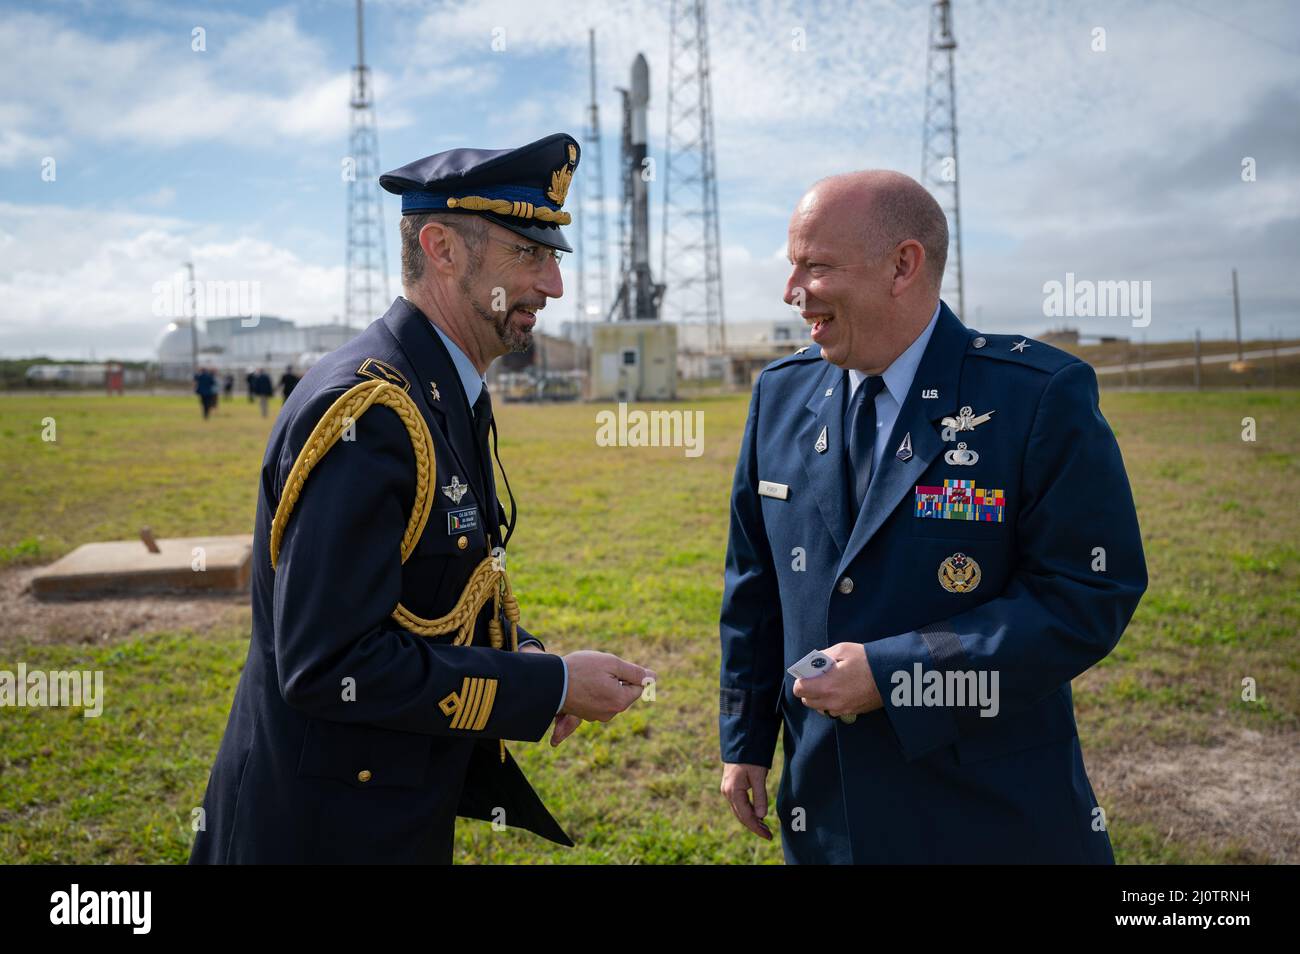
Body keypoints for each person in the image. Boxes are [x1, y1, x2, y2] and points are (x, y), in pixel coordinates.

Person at [191, 133, 654, 864]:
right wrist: (547, 683)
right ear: (440, 247)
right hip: (319, 831)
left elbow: (433, 596)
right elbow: (332, 664)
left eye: (552, 258)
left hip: (384, 811)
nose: (553, 287)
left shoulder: (436, 386)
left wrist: (534, 664)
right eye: (527, 256)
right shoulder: (370, 410)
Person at [717, 170, 1147, 864]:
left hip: (988, 818)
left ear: (903, 266)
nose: (792, 293)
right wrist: (744, 742)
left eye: (816, 266)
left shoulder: (1035, 397)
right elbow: (754, 588)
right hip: (829, 815)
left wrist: (898, 671)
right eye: (792, 265)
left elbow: (1087, 594)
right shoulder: (780, 395)